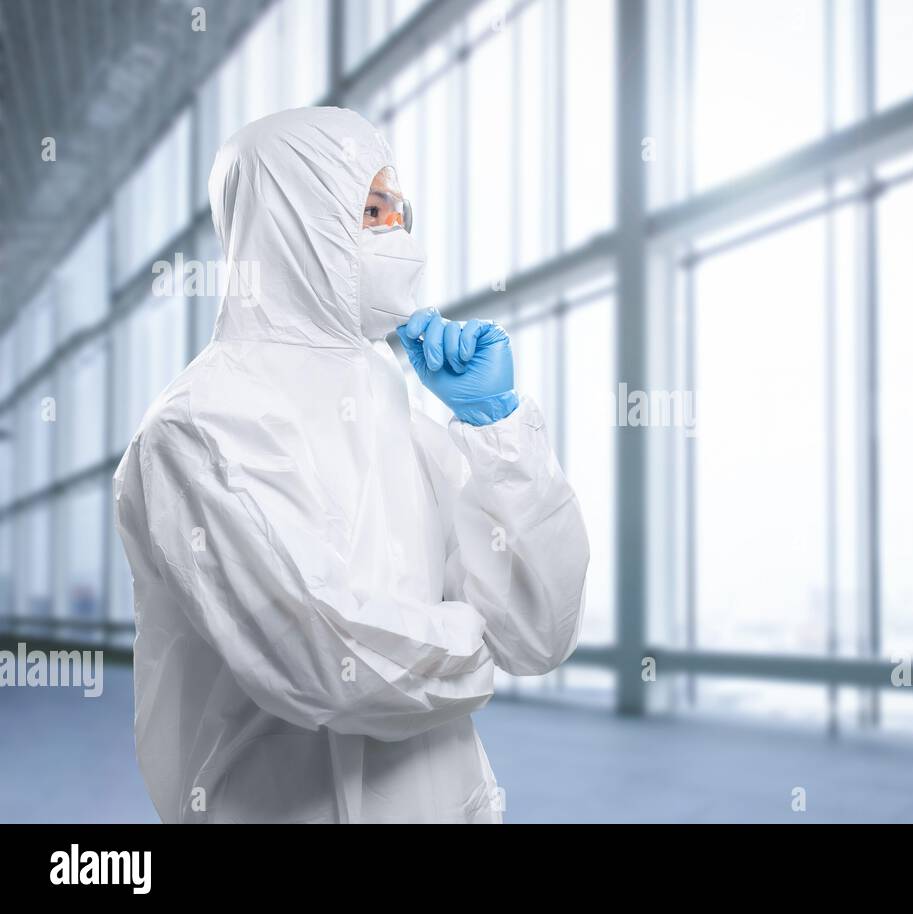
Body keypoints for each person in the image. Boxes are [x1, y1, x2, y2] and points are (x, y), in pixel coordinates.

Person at [113, 106, 589, 823]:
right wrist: (480, 641)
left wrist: (496, 430)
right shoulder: (199, 426)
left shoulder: (398, 408)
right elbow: (325, 663)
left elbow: (539, 629)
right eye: (371, 209)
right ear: (293, 218)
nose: (396, 234)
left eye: (400, 212)